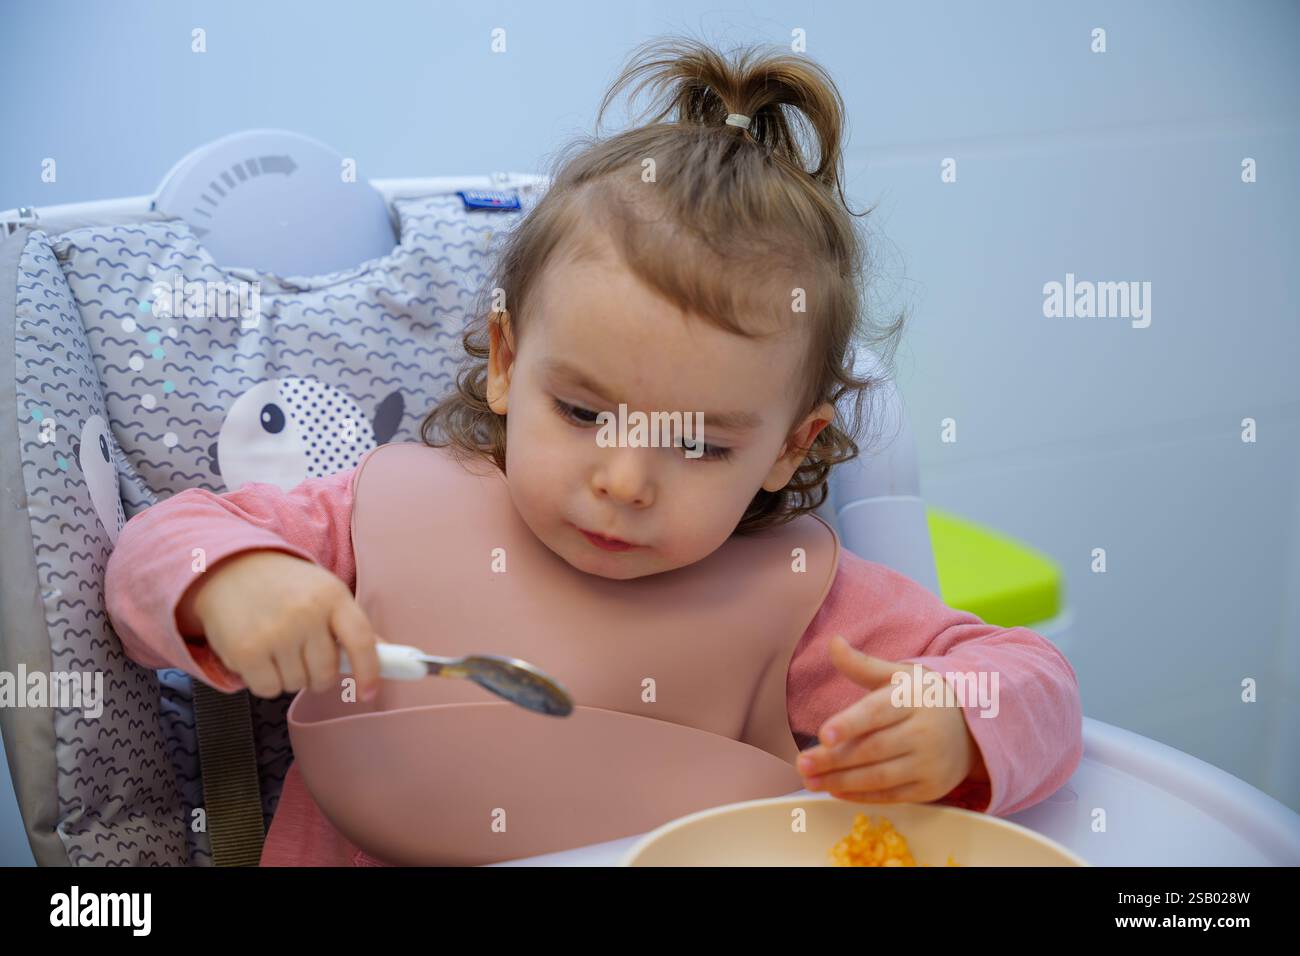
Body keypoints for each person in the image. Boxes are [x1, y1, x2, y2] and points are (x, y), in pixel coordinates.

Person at [105, 34, 1082, 866]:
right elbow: (159, 545)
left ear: (792, 447)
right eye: (581, 412)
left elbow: (1031, 678)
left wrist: (954, 721)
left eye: (697, 443)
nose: (623, 481)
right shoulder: (378, 515)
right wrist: (234, 579)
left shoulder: (801, 597)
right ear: (506, 363)